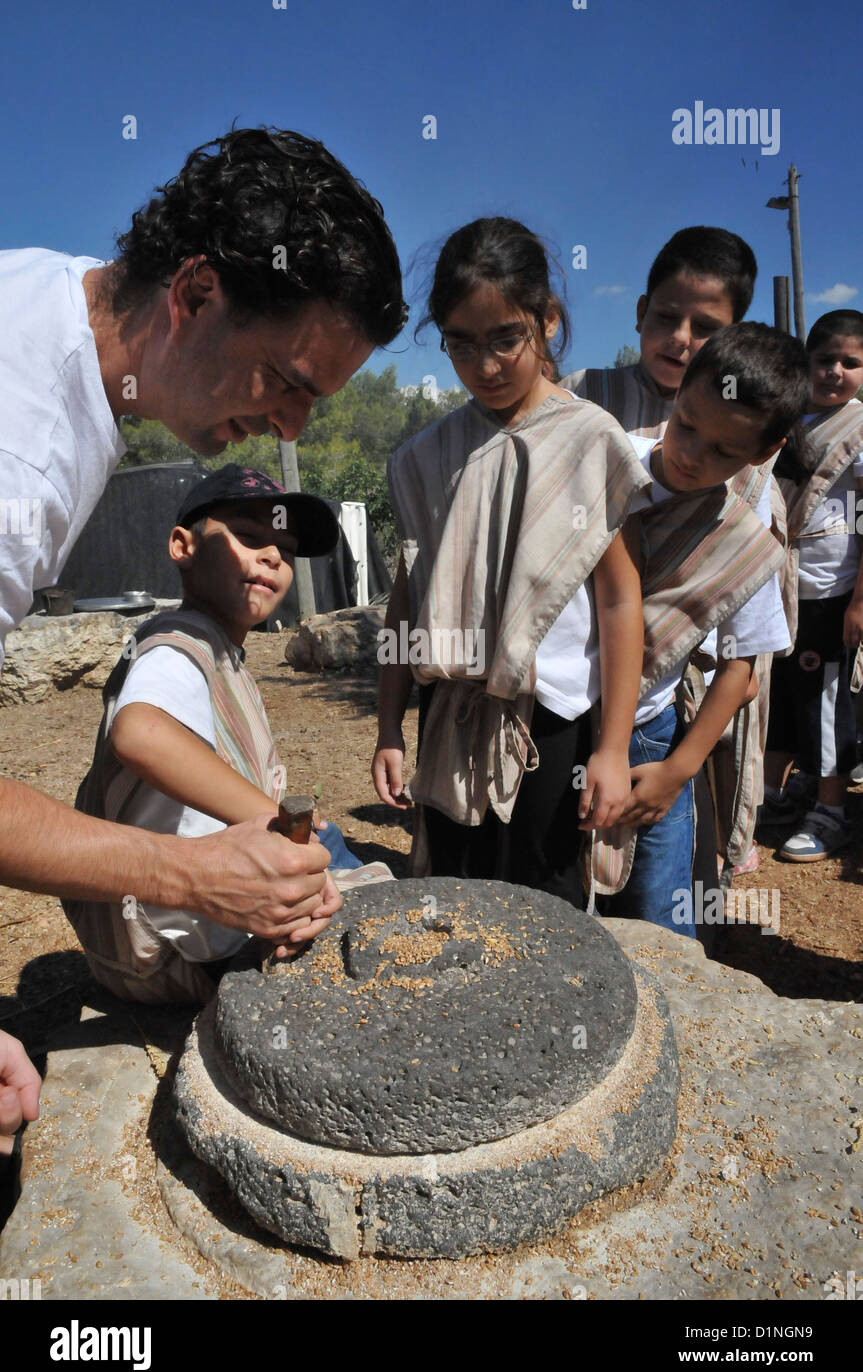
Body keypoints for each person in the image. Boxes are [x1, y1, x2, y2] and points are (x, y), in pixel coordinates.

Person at [0, 128, 406, 1136]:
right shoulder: (23, 455)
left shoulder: (46, 309)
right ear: (193, 294)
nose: (293, 429)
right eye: (288, 380)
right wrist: (185, 870)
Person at [372, 217, 648, 908]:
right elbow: (407, 597)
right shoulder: (427, 457)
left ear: (547, 322)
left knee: (545, 903)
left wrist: (612, 749)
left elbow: (618, 599)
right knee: (456, 900)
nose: (485, 366)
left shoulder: (587, 440)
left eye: (505, 340)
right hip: (449, 713)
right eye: (460, 345)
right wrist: (387, 728)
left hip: (549, 723)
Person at [63, 465, 391, 1004]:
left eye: (284, 550)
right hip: (182, 944)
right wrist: (269, 820)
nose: (272, 557)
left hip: (200, 899)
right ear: (183, 545)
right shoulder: (177, 643)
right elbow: (142, 734)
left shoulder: (218, 645)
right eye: (249, 537)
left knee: (334, 846)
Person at [595, 323, 809, 932]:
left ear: (765, 452)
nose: (692, 455)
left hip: (649, 736)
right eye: (687, 425)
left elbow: (742, 667)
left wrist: (676, 773)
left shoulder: (744, 531)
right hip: (556, 727)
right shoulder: (607, 465)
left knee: (662, 913)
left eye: (723, 452)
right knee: (562, 903)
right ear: (678, 389)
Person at [763, 310, 863, 861]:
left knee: (826, 702)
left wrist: (859, 602)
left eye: (851, 362)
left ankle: (830, 808)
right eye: (824, 359)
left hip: (831, 593)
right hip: (779, 585)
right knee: (779, 693)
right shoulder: (791, 418)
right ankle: (778, 791)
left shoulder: (858, 425)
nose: (835, 371)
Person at [562, 224, 757, 436]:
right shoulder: (583, 392)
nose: (680, 337)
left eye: (704, 327)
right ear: (642, 314)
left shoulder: (740, 424)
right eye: (666, 317)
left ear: (732, 340)